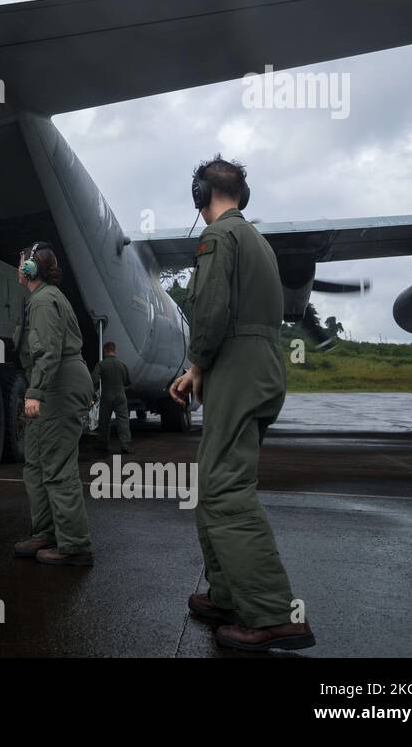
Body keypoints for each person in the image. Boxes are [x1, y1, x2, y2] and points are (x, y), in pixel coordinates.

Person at [169, 156, 315, 651]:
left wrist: (194, 365)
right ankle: (227, 594)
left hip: (236, 367)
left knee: (226, 489)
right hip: (262, 367)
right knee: (216, 482)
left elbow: (210, 312)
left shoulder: (219, 238)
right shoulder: (259, 242)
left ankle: (272, 612)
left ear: (199, 193)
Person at [12, 241, 95, 566]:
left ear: (31, 268)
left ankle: (75, 546)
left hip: (58, 384)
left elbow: (47, 351)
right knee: (35, 461)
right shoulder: (41, 299)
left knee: (57, 464)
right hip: (52, 383)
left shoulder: (45, 301)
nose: (18, 266)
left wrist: (35, 393)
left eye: (21, 261)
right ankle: (46, 531)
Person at [90, 341, 131, 454]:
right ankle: (125, 444)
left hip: (107, 396)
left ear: (105, 351)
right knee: (123, 420)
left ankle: (103, 444)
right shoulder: (122, 364)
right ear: (114, 350)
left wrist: (94, 392)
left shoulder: (101, 364)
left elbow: (94, 380)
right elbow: (128, 382)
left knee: (105, 421)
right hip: (121, 395)